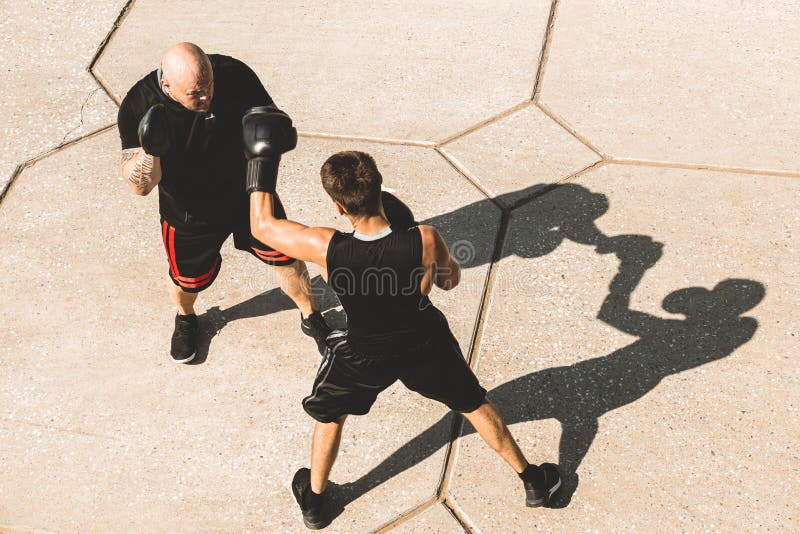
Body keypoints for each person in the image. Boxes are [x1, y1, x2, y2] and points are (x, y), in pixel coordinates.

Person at [244, 147, 561, 529]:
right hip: (424, 342)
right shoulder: (424, 238)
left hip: (362, 351)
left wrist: (261, 157)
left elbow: (262, 227)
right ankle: (533, 481)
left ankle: (314, 502)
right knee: (473, 403)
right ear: (379, 187)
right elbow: (450, 279)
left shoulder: (327, 247)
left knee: (331, 417)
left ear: (338, 207)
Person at [116, 42, 330, 363]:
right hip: (189, 211)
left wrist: (274, 137)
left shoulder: (234, 73)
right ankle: (186, 317)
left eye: (209, 86)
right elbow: (140, 187)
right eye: (195, 93)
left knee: (288, 259)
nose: (207, 98)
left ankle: (311, 316)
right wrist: (150, 152)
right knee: (187, 281)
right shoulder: (139, 104)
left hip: (248, 193)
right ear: (167, 86)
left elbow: (269, 121)